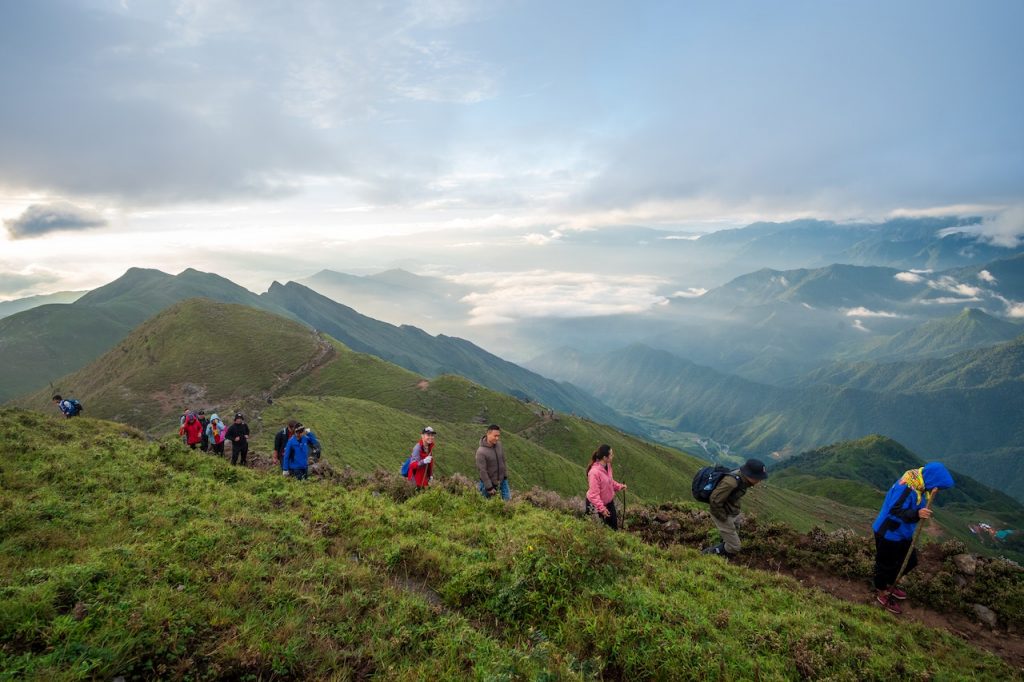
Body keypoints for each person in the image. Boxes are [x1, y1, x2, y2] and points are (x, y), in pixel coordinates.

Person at [872, 462, 955, 614]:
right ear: (932, 480)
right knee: (885, 564)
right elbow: (894, 510)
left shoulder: (920, 485)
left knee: (910, 561)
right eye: (938, 487)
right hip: (889, 533)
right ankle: (881, 592)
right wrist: (917, 514)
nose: (937, 490)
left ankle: (890, 583)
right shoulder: (906, 487)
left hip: (903, 532)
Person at [702, 458, 768, 559]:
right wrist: (723, 518)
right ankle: (709, 554)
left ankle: (725, 547)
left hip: (731, 512)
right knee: (735, 547)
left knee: (735, 532)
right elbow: (715, 500)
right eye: (758, 478)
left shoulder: (742, 478)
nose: (759, 481)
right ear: (749, 475)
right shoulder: (731, 482)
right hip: (722, 513)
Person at [585, 444, 626, 530]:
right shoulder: (594, 473)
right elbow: (594, 495)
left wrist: (619, 486)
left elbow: (609, 482)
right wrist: (602, 509)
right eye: (611, 454)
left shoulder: (608, 466)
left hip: (608, 502)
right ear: (605, 457)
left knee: (613, 527)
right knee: (596, 530)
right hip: (594, 505)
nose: (613, 456)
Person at [476, 424, 510, 501]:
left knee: (508, 503)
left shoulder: (499, 445)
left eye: (498, 436)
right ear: (488, 433)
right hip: (488, 485)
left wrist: (505, 476)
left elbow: (503, 460)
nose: (497, 438)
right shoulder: (481, 452)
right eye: (495, 436)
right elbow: (482, 471)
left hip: (502, 482)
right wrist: (489, 487)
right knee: (485, 506)